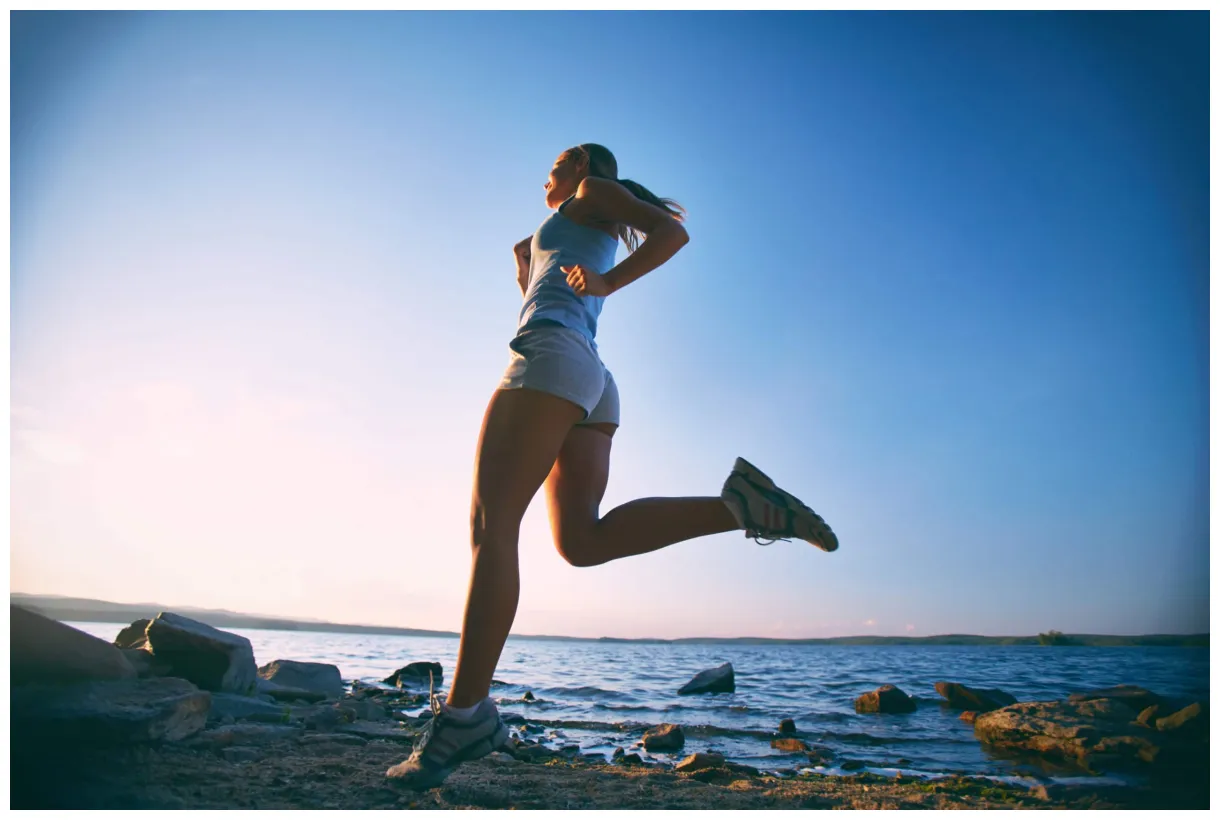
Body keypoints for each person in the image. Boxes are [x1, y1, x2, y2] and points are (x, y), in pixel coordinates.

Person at [387, 144, 837, 789]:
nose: (546, 173)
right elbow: (542, 258)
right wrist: (530, 261)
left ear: (583, 166)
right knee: (581, 542)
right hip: (589, 375)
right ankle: (744, 505)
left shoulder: (592, 192)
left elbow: (671, 233)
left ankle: (464, 717)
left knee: (493, 531)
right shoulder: (571, 218)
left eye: (557, 162)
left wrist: (605, 281)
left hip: (550, 356)